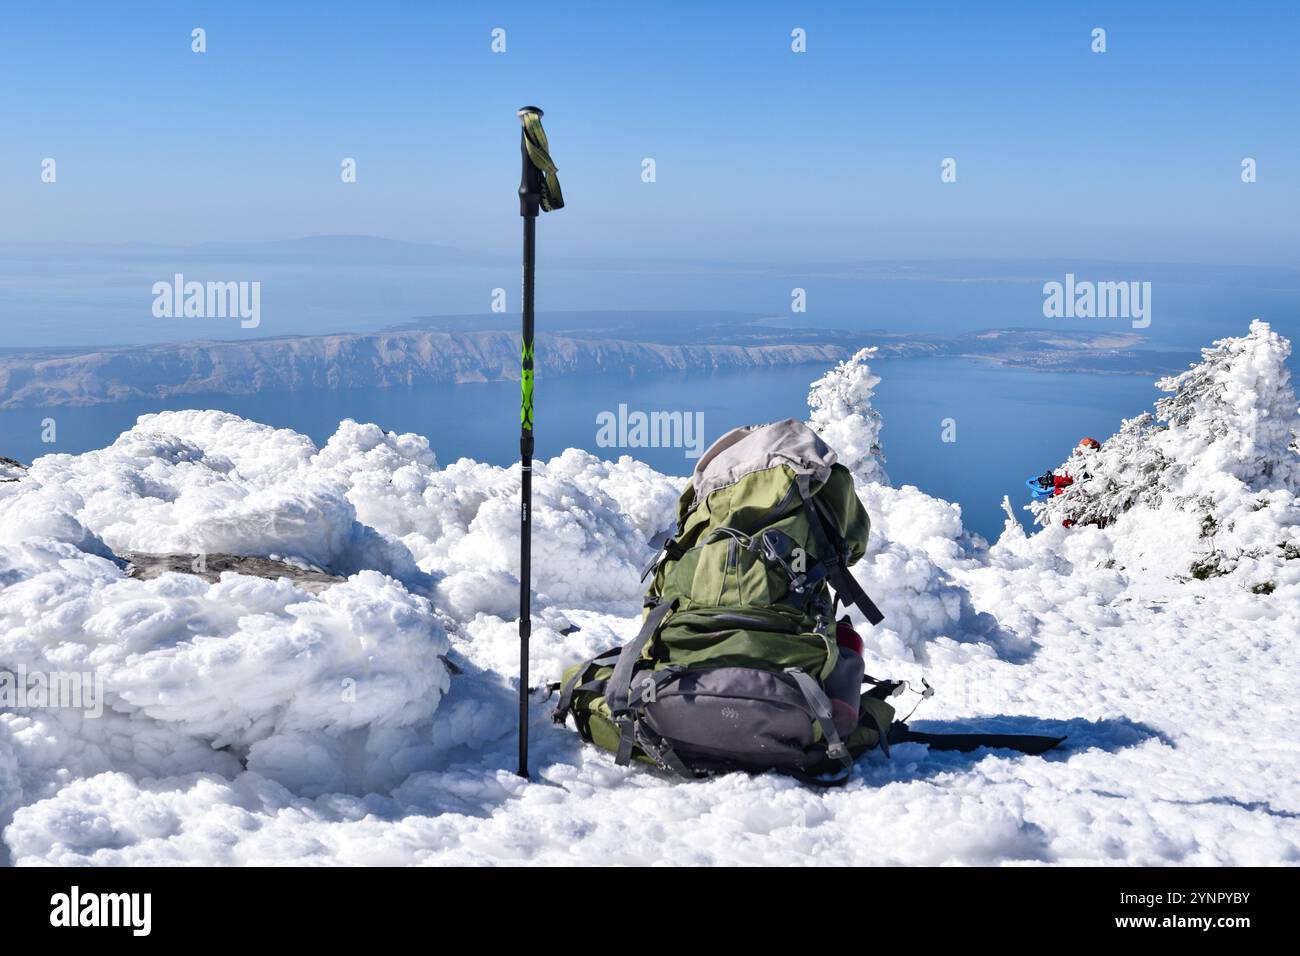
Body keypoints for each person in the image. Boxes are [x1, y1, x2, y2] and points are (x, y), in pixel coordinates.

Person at [1026, 437, 1103, 525]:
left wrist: (1052, 479)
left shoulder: (1086, 464)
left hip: (1081, 503)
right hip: (1084, 506)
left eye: (1081, 449)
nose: (1079, 452)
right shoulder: (1080, 464)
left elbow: (1071, 475)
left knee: (1066, 517)